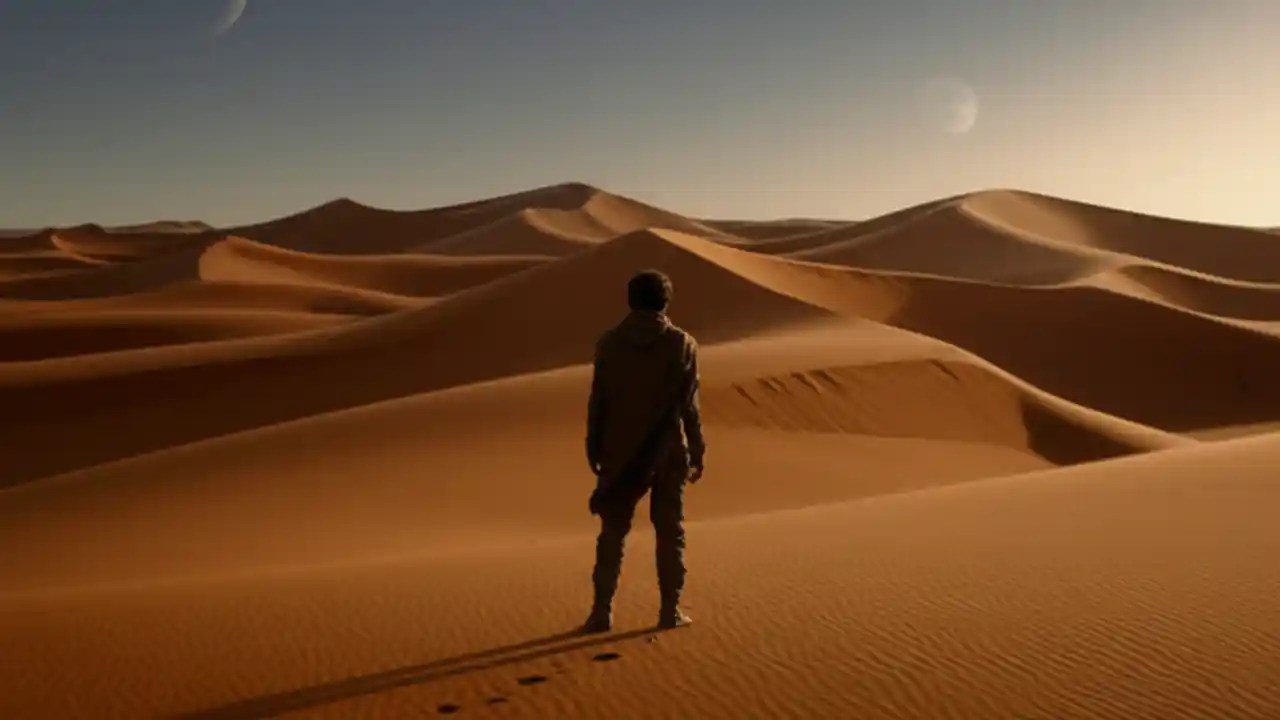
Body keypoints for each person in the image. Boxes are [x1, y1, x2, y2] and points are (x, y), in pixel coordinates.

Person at [582, 269, 706, 634]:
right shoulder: (682, 344)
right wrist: (698, 449)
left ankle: (600, 612)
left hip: (619, 452)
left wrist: (593, 445)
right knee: (670, 531)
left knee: (612, 532)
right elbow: (690, 406)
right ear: (665, 301)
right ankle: (670, 610)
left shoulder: (608, 344)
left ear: (630, 300)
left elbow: (598, 400)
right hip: (666, 450)